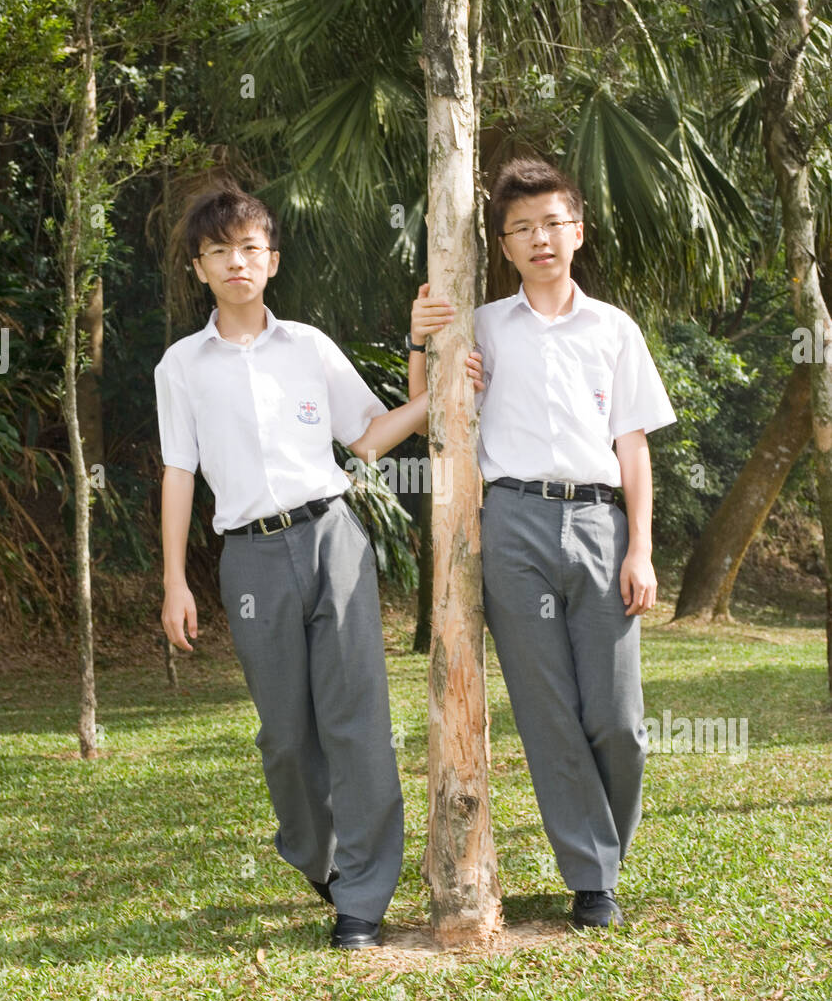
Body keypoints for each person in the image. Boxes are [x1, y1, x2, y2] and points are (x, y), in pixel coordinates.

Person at [155, 183, 428, 950]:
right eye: (218, 251)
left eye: (249, 248)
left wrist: (437, 391)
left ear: (270, 260)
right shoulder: (181, 367)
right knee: (284, 734)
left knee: (357, 721)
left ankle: (363, 899)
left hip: (333, 537)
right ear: (199, 269)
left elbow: (368, 436)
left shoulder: (308, 346)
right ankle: (319, 858)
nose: (235, 262)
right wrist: (175, 580)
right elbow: (179, 473)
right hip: (249, 557)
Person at [408, 156, 676, 928]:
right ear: (504, 244)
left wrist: (641, 549)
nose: (540, 238)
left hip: (601, 523)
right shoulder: (483, 324)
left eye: (552, 222)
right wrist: (421, 336)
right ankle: (595, 883)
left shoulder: (614, 330)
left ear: (578, 230)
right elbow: (431, 409)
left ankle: (603, 853)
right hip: (513, 523)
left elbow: (633, 447)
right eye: (521, 228)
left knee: (617, 720)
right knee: (548, 710)